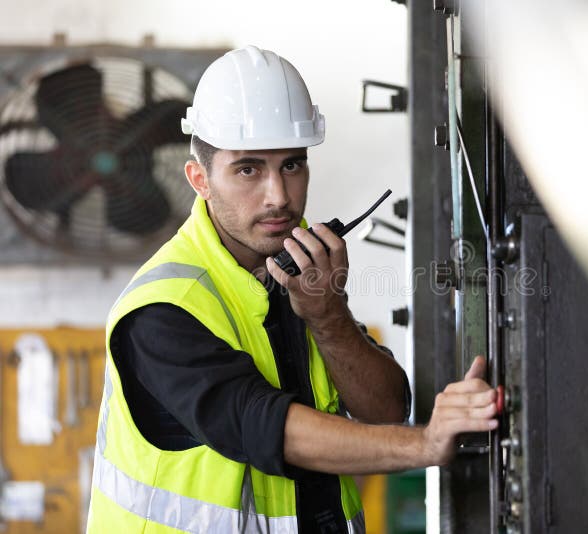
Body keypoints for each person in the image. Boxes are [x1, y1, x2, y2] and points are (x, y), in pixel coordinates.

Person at [86, 45, 497, 534]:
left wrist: (328, 315)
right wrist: (425, 444)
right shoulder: (160, 310)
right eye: (248, 169)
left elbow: (385, 409)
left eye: (292, 165)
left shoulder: (298, 269)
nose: (278, 196)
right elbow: (265, 426)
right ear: (200, 180)